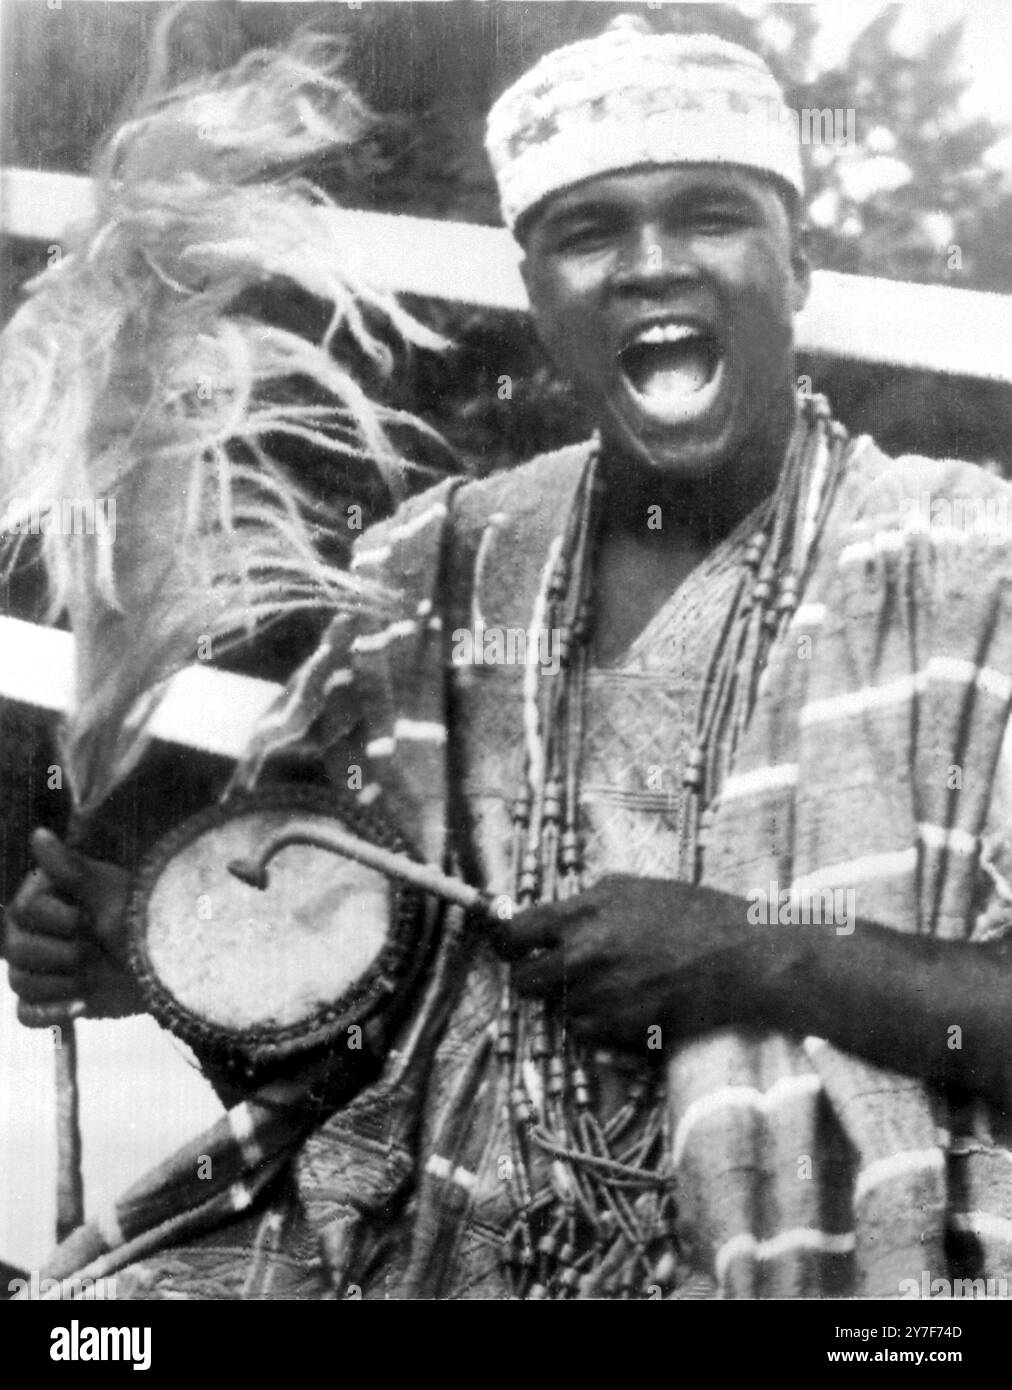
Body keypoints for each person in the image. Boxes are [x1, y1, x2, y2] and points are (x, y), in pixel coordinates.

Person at [7, 19, 1012, 1300]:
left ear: (797, 259)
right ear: (534, 287)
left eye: (710, 216)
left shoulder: (968, 568)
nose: (653, 265)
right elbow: (350, 1024)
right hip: (427, 1223)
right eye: (589, 233)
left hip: (815, 1258)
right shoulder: (434, 574)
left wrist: (755, 951)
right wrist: (164, 958)